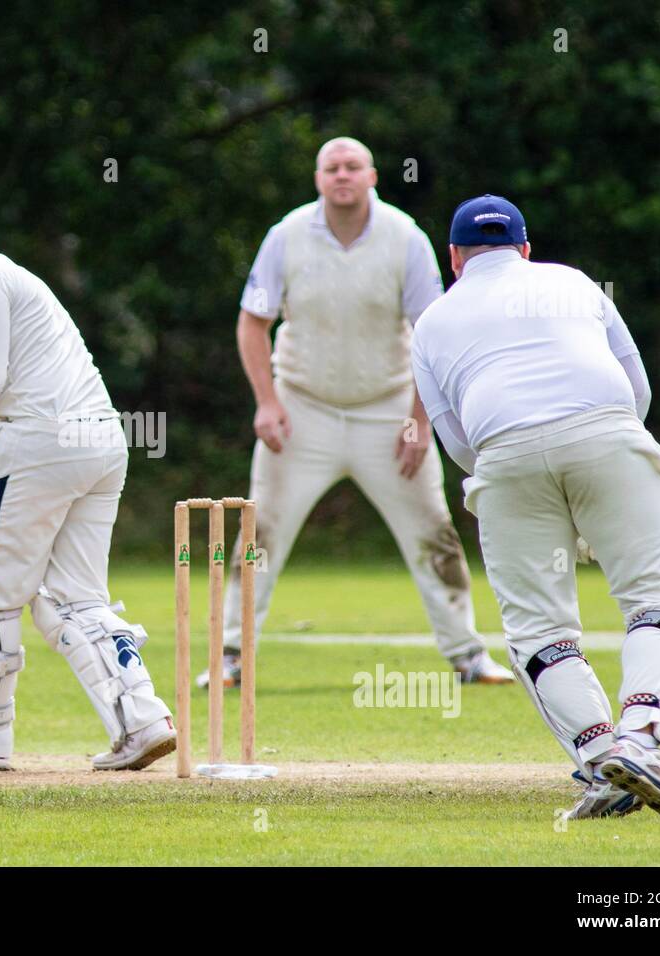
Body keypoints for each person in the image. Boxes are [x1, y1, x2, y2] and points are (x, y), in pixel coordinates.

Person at [411, 194, 660, 818]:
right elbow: (637, 388)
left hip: (503, 457)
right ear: (524, 248)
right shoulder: (572, 281)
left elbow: (458, 442)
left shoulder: (432, 321)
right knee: (657, 600)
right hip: (606, 432)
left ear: (455, 257)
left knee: (538, 633)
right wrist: (604, 477)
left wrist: (532, 480)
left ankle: (600, 758)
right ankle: (642, 737)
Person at [0, 179, 175, 772]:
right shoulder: (10, 275)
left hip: (40, 446)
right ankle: (142, 721)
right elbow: (10, 391)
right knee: (73, 597)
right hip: (98, 441)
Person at [207, 137, 513, 689]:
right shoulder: (286, 235)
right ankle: (230, 656)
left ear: (372, 176)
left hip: (389, 411)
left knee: (433, 531)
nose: (342, 175)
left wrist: (420, 419)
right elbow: (254, 322)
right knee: (261, 532)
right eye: (332, 168)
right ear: (318, 178)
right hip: (301, 410)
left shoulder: (405, 237)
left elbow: (432, 331)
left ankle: (468, 655)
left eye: (352, 167)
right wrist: (267, 403)